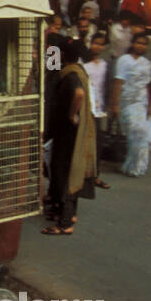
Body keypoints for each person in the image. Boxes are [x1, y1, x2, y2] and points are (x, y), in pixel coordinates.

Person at [42, 37, 97, 235]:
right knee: (62, 168)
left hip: (68, 130)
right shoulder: (77, 70)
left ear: (62, 54)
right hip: (68, 129)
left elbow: (78, 94)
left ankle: (65, 222)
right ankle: (63, 211)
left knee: (65, 171)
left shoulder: (69, 74)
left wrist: (71, 115)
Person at [112, 31, 151, 177]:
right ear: (132, 44)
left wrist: (149, 104)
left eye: (144, 44)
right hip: (127, 102)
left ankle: (135, 167)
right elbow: (118, 83)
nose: (141, 46)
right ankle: (131, 166)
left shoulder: (146, 63)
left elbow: (147, 85)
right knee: (133, 133)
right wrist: (115, 104)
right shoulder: (124, 60)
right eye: (138, 43)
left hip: (141, 102)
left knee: (141, 134)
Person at [81, 32, 111, 190]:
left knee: (97, 142)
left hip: (98, 109)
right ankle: (82, 174)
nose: (98, 47)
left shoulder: (105, 65)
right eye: (95, 43)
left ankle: (94, 175)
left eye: (101, 44)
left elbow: (106, 87)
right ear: (90, 43)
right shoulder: (82, 64)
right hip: (84, 108)